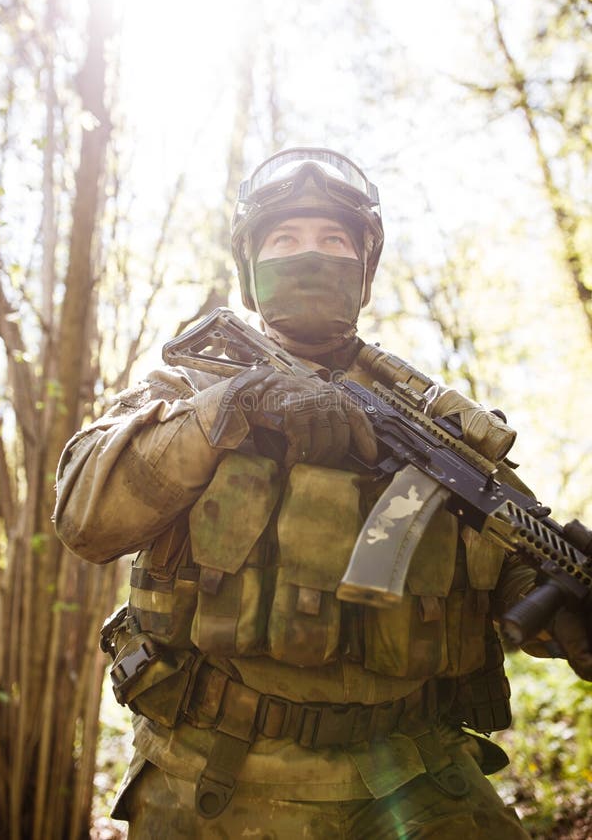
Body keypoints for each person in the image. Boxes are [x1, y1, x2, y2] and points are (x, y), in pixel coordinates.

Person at [54, 148, 592, 839]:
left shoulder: (435, 425)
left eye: (334, 240)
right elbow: (84, 517)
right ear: (251, 272)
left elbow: (507, 555)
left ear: (363, 272)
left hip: (418, 769)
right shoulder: (188, 391)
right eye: (285, 239)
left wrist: (557, 604)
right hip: (216, 775)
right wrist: (236, 407)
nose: (311, 255)